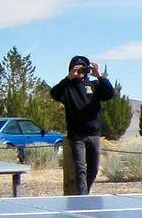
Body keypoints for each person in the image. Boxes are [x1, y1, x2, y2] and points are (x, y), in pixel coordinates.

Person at [48, 56, 115, 196]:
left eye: (83, 67)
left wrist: (100, 76)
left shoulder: (95, 86)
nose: (81, 71)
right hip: (77, 136)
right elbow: (54, 93)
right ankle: (82, 198)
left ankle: (85, 192)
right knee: (80, 169)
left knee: (94, 169)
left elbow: (109, 94)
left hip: (94, 134)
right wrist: (69, 78)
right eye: (77, 67)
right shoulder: (67, 88)